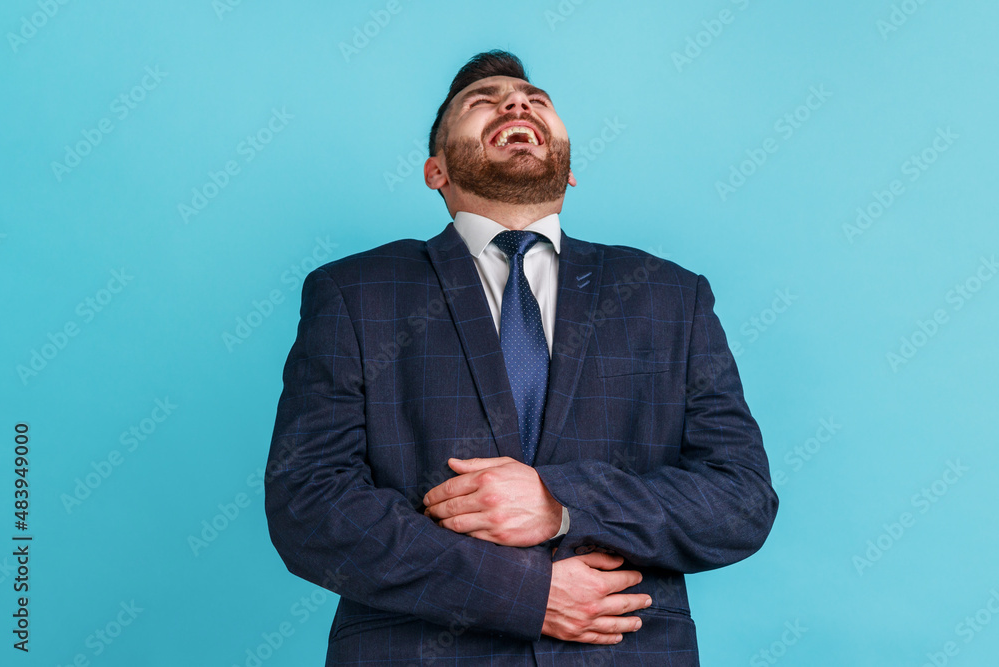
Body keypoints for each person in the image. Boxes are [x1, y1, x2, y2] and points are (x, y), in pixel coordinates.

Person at [265, 49, 778, 666]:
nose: (516, 102)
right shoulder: (355, 292)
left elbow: (740, 501)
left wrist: (561, 503)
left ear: (570, 170)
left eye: (536, 99)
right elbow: (309, 504)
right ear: (437, 171)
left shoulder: (672, 295)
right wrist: (527, 594)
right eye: (482, 101)